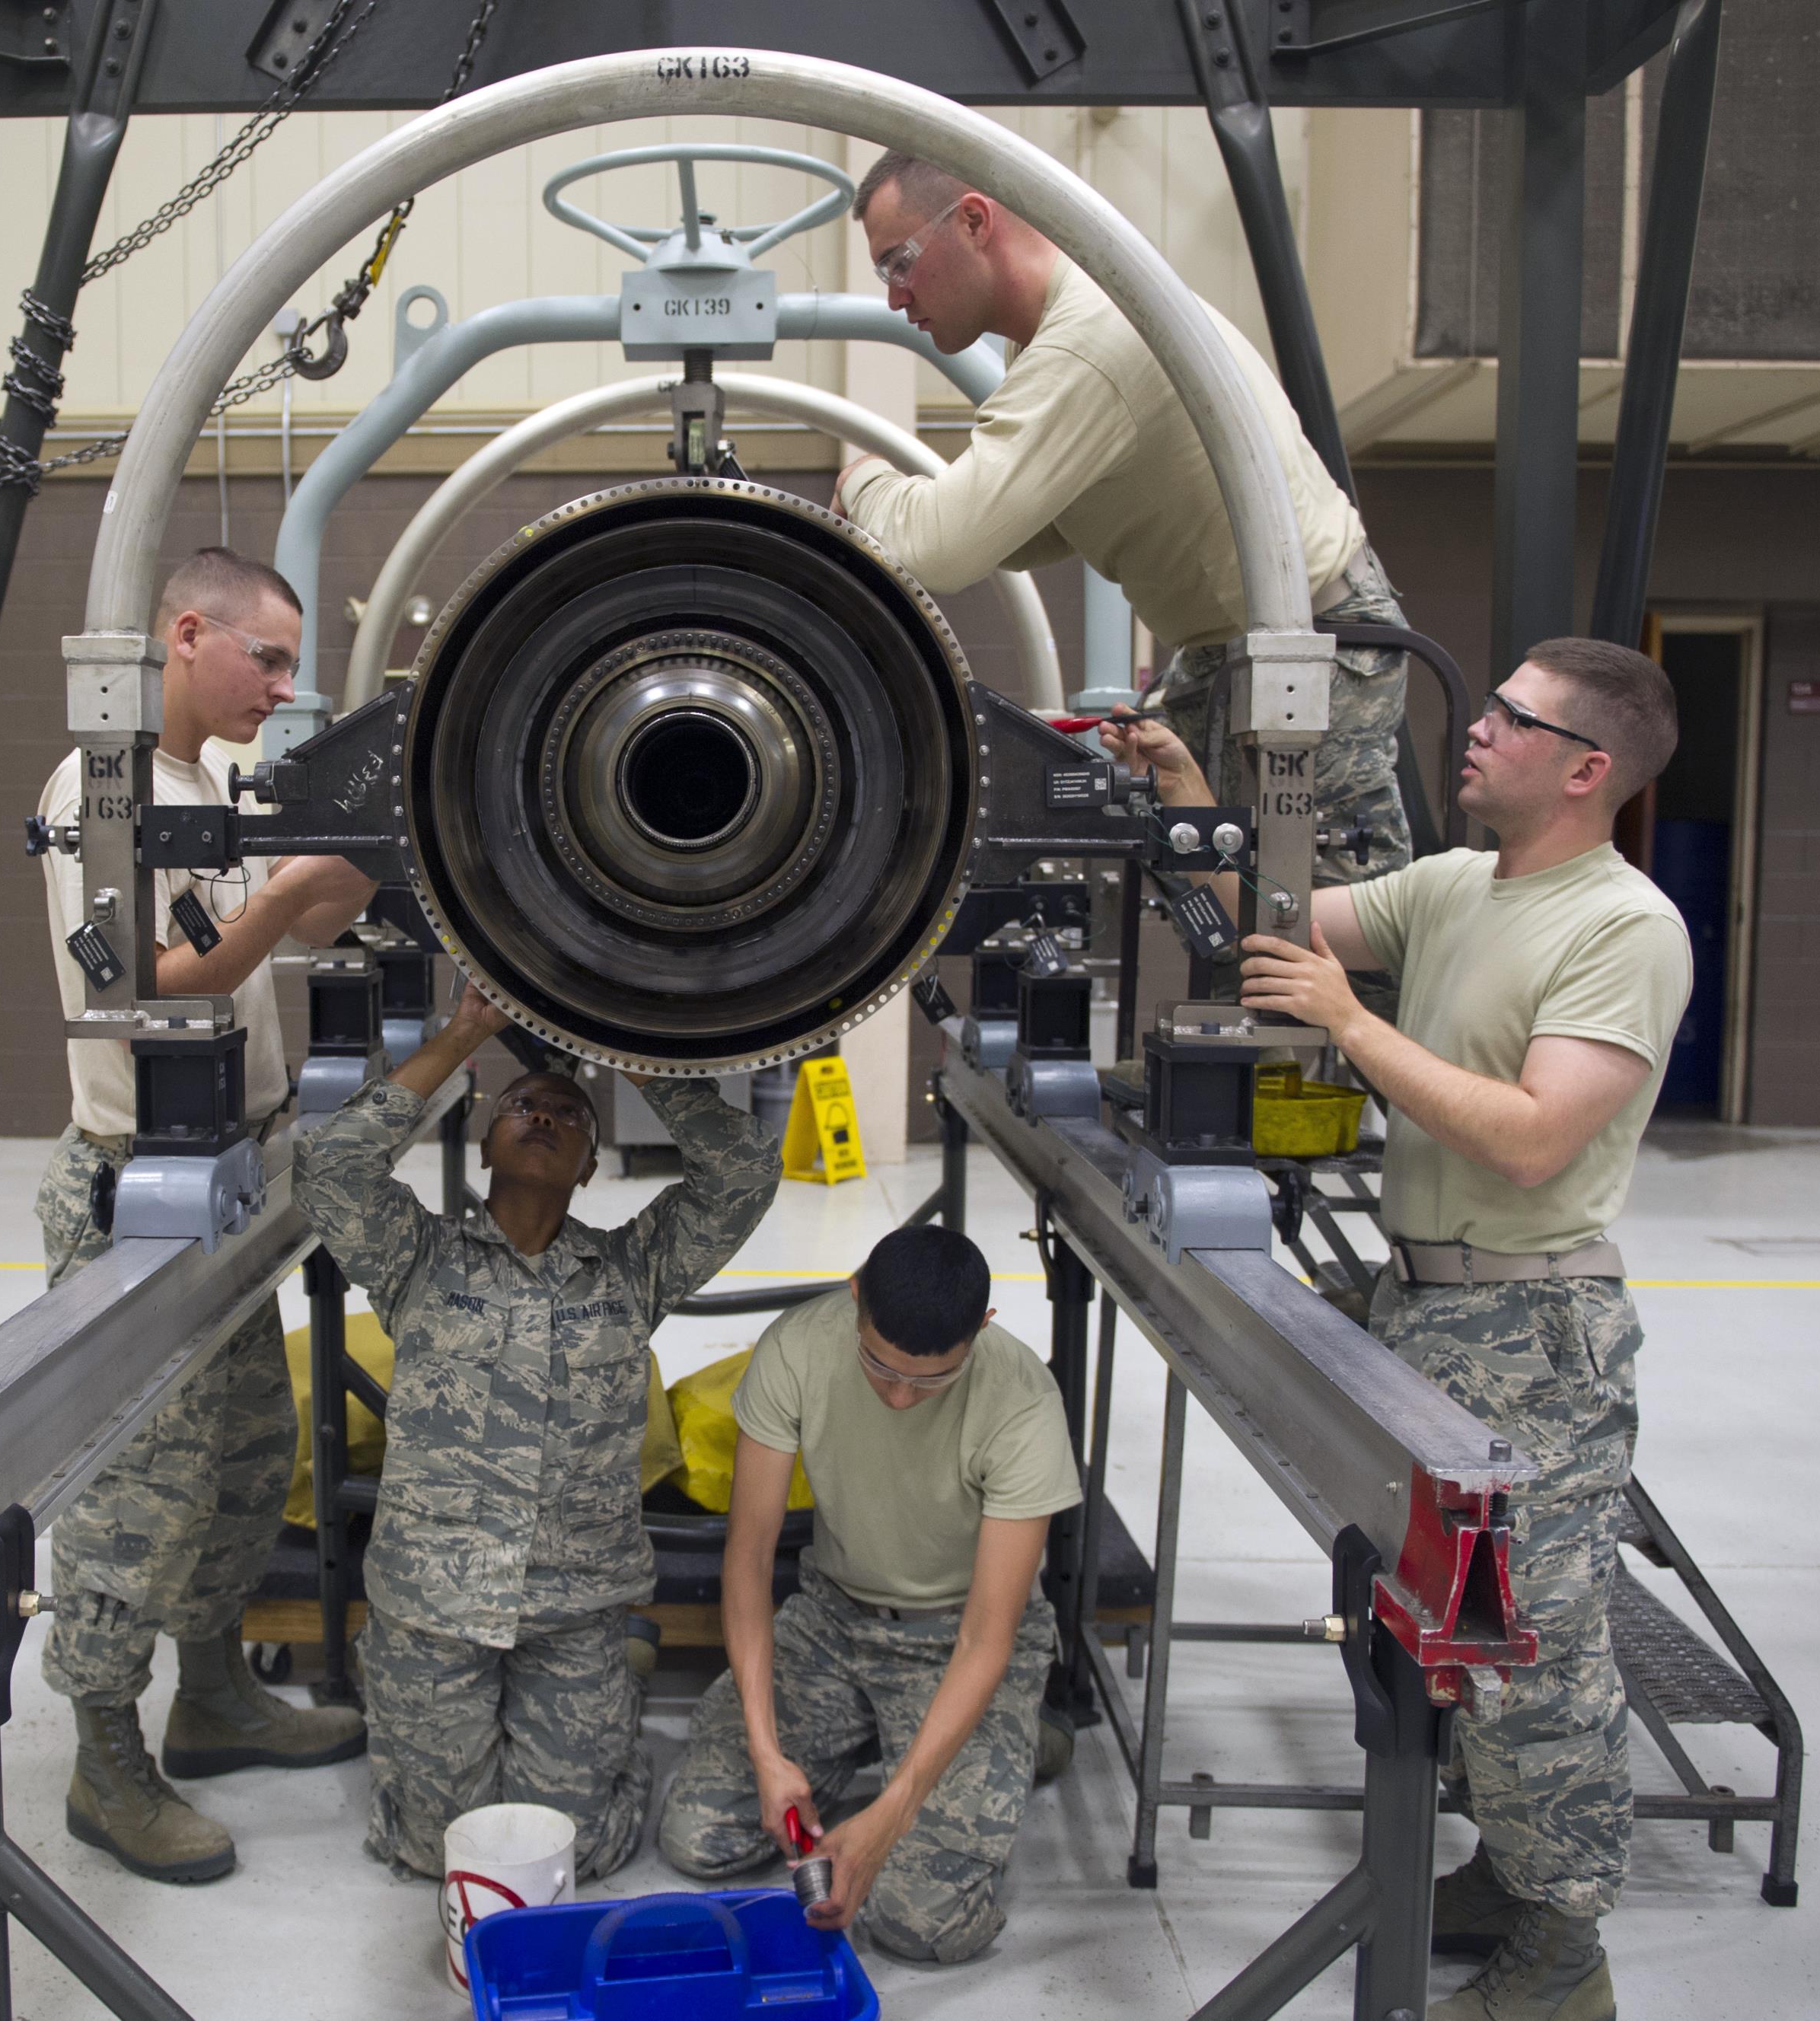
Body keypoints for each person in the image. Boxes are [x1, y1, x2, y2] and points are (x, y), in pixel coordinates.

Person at [1109, 636, 1689, 2021]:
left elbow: (1536, 1138)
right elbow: (1267, 913)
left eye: (1512, 716)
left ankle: (1564, 1958)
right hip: (1423, 1301)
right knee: (1450, 1632)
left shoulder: (1622, 927)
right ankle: (1504, 1873)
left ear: (1584, 769)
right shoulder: (1454, 885)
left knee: (1531, 1647)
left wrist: (1347, 1027)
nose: (1474, 726)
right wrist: (1182, 781)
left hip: (1530, 1320)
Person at [32, 547, 377, 1885]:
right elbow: (139, 983)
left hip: (228, 1170)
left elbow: (260, 939)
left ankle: (214, 1693)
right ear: (185, 634)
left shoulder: (217, 783)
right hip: (137, 1188)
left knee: (242, 1455)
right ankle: (102, 1759)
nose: (279, 688)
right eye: (265, 659)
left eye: (291, 665)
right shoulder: (99, 790)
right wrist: (287, 894)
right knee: (139, 1493)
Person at [298, 984, 780, 1883]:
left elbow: (745, 1173)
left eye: (570, 1115)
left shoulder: (631, 1270)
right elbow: (329, 1168)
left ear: (590, 1168)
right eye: (521, 1106)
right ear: (485, 1146)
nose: (545, 1117)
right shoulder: (418, 1258)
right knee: (439, 1853)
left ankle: (617, 1677)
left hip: (575, 1607)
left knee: (572, 1852)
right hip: (434, 1606)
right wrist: (464, 1033)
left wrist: (631, 1057)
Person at [836, 150, 1417, 895]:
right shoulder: (1057, 332)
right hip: (1234, 649)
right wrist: (957, 515)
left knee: (1323, 925)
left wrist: (863, 481)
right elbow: (1028, 530)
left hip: (1309, 653)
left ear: (975, 220)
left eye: (900, 262)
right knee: (1234, 920)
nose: (894, 298)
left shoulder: (1088, 339)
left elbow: (943, 549)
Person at [658, 1225, 1081, 1966]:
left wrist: (891, 1816)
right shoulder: (798, 1347)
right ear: (855, 1297)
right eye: (879, 1365)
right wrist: (765, 1752)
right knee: (700, 1837)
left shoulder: (1023, 1404)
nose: (898, 1396)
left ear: (982, 1327)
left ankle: (1021, 1730)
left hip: (955, 1638)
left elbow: (986, 1637)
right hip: (833, 1622)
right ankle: (882, 1738)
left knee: (920, 1924)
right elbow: (748, 1558)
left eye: (931, 1379)